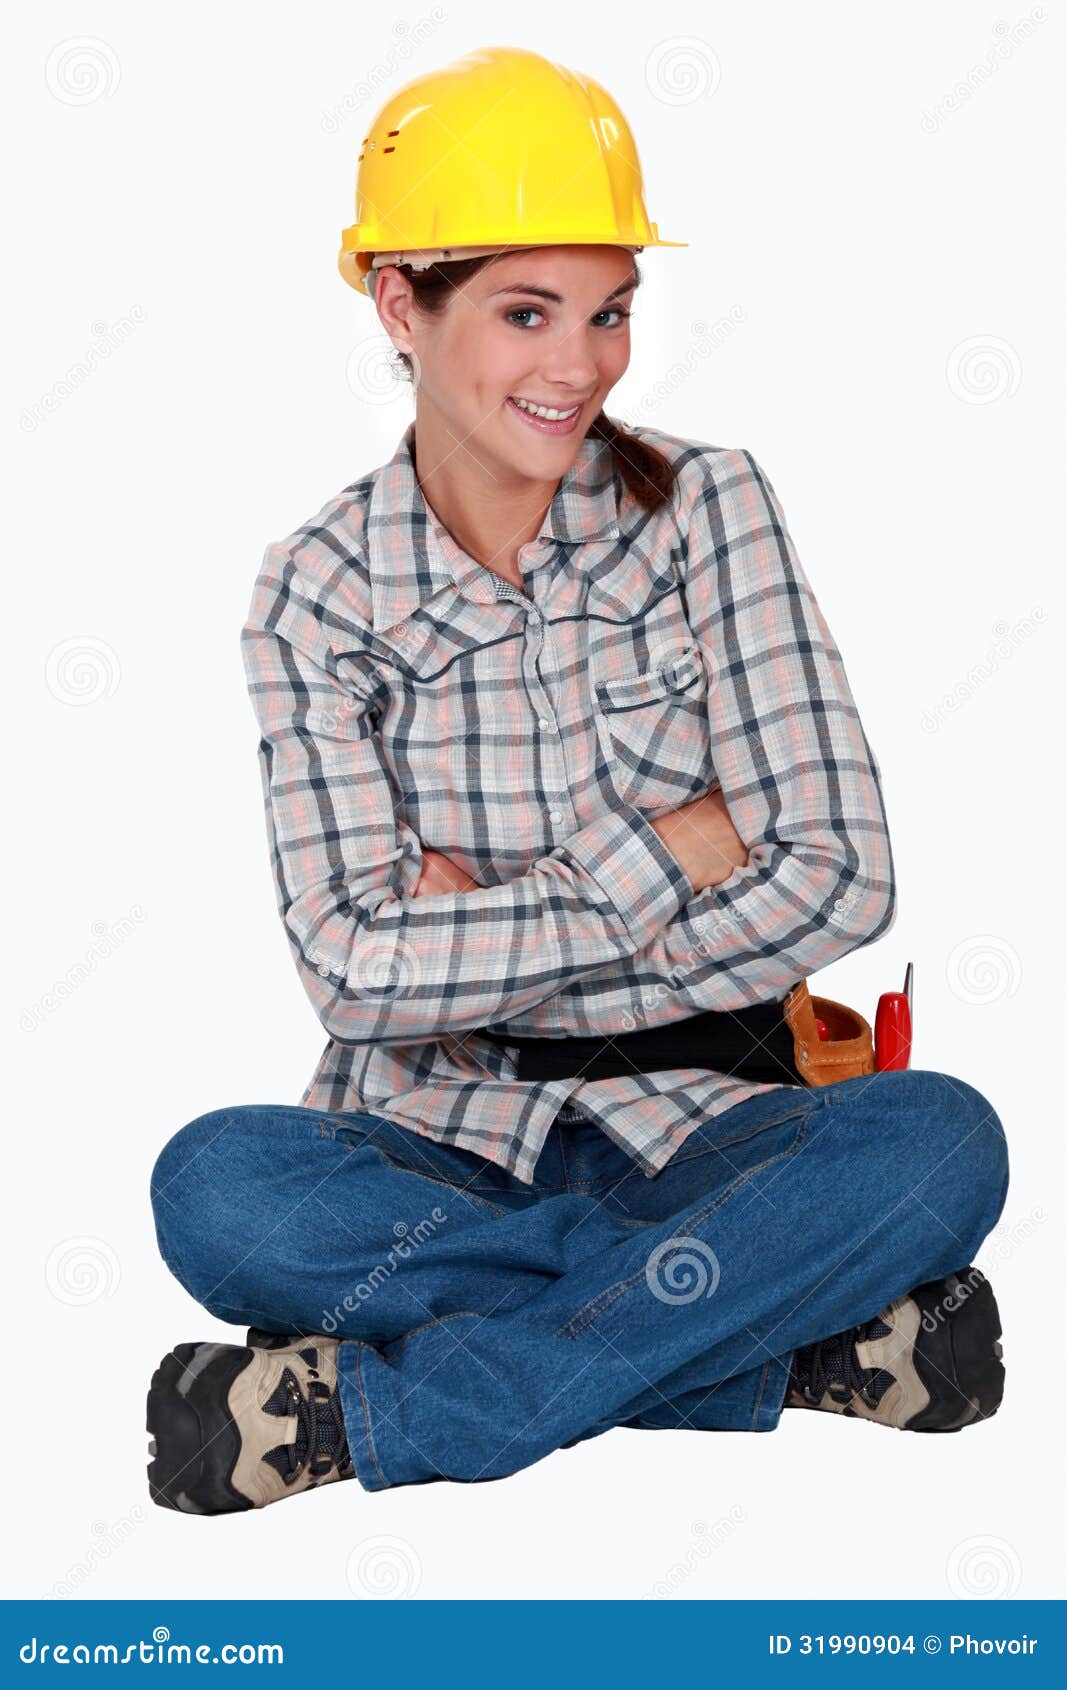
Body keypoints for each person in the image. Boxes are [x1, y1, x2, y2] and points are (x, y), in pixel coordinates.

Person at [146, 47, 1008, 1514]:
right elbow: (353, 977)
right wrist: (680, 843)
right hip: (440, 1157)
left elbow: (850, 872)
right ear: (397, 304)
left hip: (718, 1130)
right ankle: (788, 1346)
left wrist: (477, 931)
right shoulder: (315, 590)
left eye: (609, 312)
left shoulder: (713, 506)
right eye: (526, 313)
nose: (582, 366)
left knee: (941, 1148)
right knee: (216, 1189)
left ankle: (365, 1414)